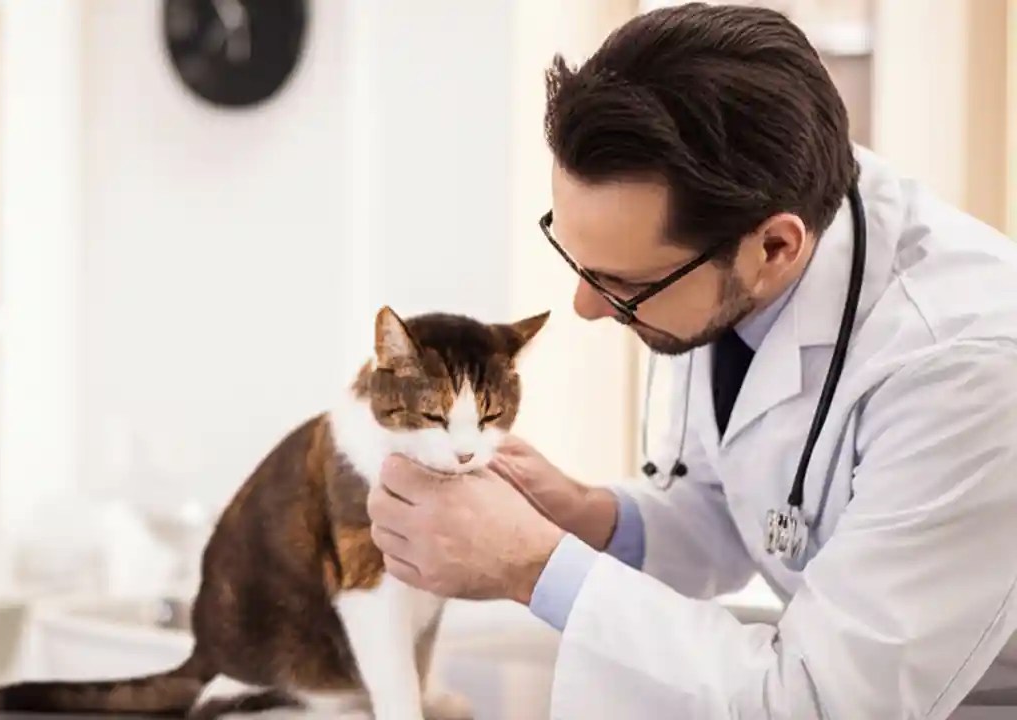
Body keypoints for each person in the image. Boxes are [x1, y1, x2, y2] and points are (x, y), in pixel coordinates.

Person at [366, 3, 1017, 718]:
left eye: (625, 284)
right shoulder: (744, 213)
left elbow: (820, 703)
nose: (585, 307)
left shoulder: (969, 367)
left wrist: (533, 565)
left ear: (775, 248)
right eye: (578, 258)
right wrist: (590, 518)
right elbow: (745, 501)